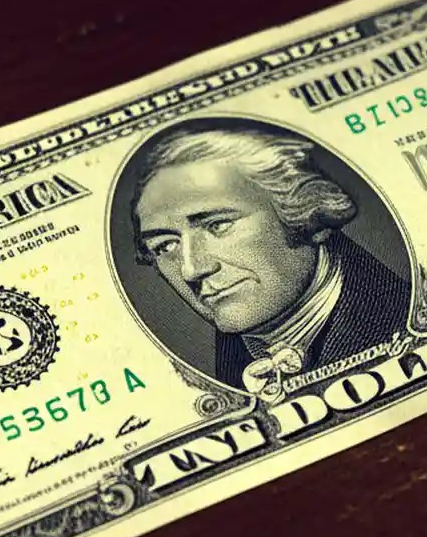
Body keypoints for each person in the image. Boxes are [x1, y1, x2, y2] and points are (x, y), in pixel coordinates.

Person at [130, 122, 411, 391]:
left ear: (304, 211)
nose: (191, 269)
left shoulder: (401, 317)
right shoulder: (229, 373)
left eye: (218, 225)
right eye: (166, 246)